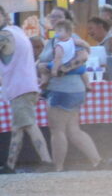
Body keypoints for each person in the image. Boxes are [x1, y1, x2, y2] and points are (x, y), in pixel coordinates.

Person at [36, 18, 102, 171]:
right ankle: (97, 161)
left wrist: (59, 70)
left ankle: (58, 167)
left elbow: (84, 56)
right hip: (74, 90)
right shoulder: (57, 40)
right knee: (73, 130)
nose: (53, 20)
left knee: (57, 130)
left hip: (62, 90)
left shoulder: (69, 40)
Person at [0, 16, 52, 173]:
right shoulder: (17, 31)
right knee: (18, 128)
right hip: (26, 85)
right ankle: (10, 165)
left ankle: (47, 161)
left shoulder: (4, 36)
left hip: (19, 87)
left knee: (29, 124)